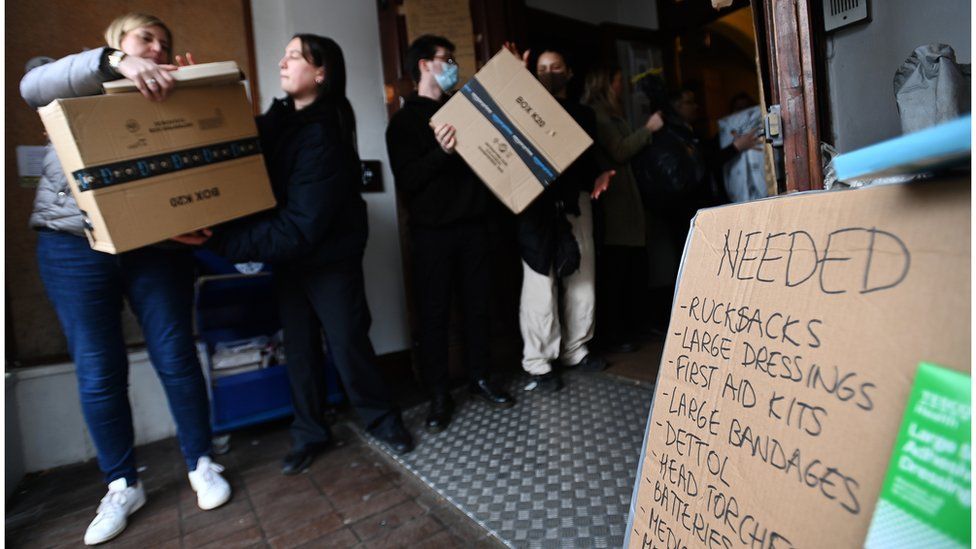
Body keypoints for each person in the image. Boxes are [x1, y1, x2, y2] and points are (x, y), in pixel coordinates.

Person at [19, 12, 231, 546]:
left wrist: (195, 98)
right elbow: (31, 84)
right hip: (73, 245)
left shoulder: (167, 96)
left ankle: (201, 461)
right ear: (118, 43)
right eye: (146, 39)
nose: (157, 48)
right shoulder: (75, 77)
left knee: (176, 354)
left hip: (158, 247)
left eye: (164, 42)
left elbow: (203, 173)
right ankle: (121, 484)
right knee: (98, 369)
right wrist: (116, 65)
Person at [182, 34, 414, 474]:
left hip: (328, 258)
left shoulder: (326, 131)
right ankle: (309, 432)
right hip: (292, 256)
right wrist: (195, 91)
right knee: (301, 347)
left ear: (321, 72)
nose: (282, 62)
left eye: (295, 56)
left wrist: (220, 241)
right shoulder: (281, 119)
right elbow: (230, 143)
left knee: (347, 341)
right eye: (284, 54)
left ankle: (382, 419)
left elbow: (301, 227)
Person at [385, 35, 515, 434]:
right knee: (435, 316)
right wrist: (440, 154)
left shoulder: (465, 109)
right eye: (448, 58)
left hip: (475, 228)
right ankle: (439, 395)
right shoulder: (403, 123)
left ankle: (479, 378)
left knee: (478, 308)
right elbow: (407, 180)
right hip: (431, 235)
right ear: (425, 64)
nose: (454, 64)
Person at [503, 43, 614, 392]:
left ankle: (576, 350)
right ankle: (539, 362)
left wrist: (602, 173)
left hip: (575, 201)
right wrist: (516, 83)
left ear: (569, 73)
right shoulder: (523, 110)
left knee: (582, 278)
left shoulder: (583, 114)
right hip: (534, 205)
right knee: (539, 282)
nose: (549, 73)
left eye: (556, 67)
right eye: (542, 68)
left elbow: (590, 156)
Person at [582, 67, 664, 354]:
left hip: (627, 200)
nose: (623, 86)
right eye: (618, 80)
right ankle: (616, 333)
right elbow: (619, 151)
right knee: (617, 271)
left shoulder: (612, 112)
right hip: (615, 201)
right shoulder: (598, 114)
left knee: (632, 268)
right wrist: (648, 129)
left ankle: (634, 326)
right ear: (606, 84)